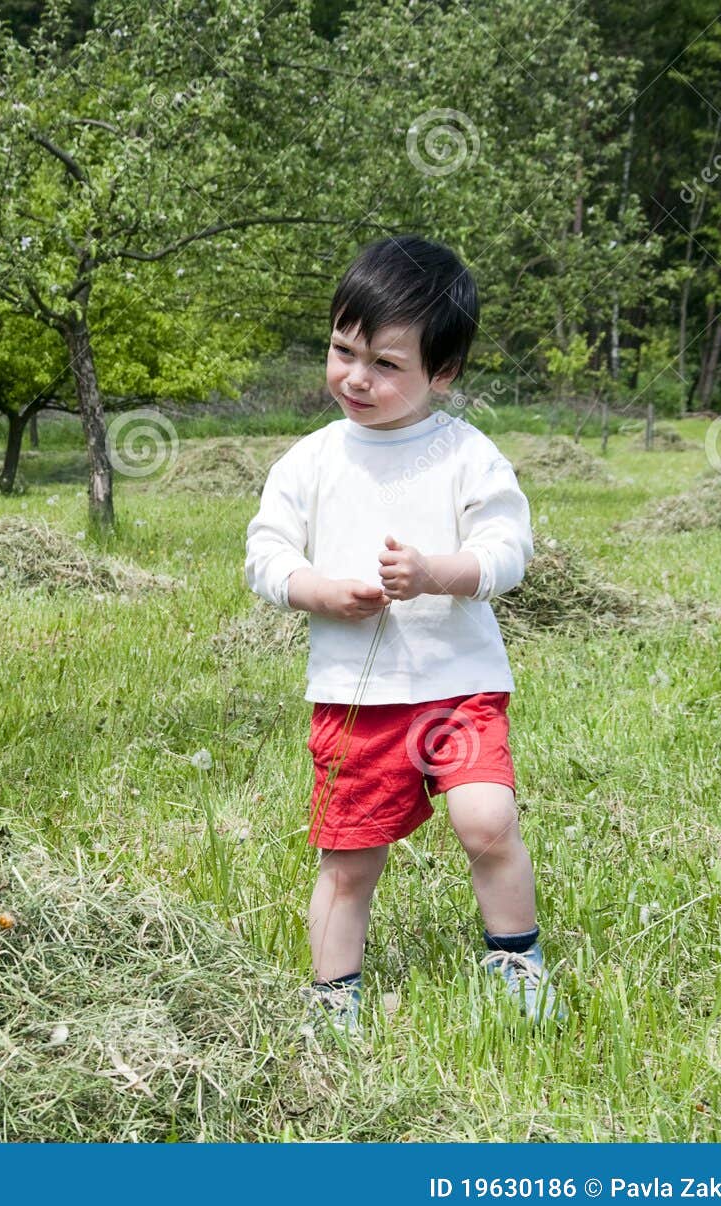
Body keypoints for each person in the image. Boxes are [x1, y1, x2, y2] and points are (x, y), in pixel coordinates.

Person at [243, 235, 564, 1034]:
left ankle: (515, 959)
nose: (356, 376)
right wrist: (318, 588)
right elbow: (265, 555)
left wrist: (435, 574)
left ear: (442, 374)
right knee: (348, 862)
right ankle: (332, 997)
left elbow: (508, 551)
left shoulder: (466, 455)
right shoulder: (309, 462)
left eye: (385, 363)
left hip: (458, 687)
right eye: (343, 349)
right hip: (357, 701)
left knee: (487, 821)